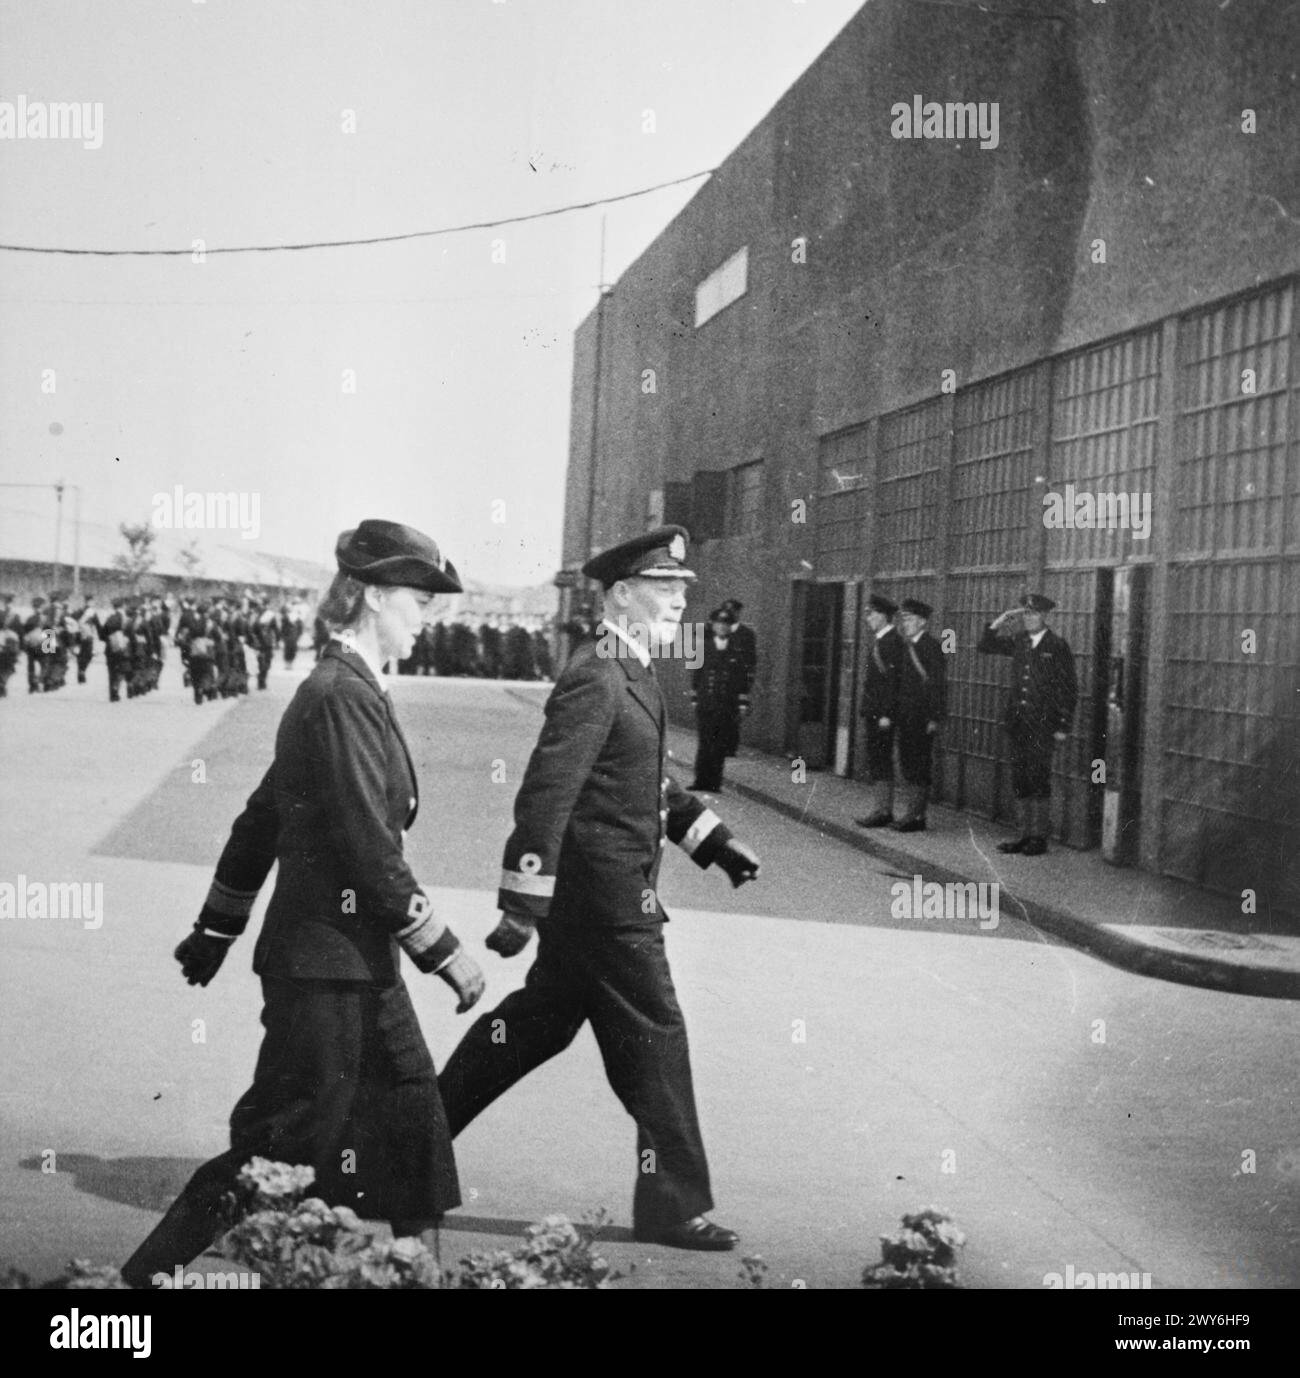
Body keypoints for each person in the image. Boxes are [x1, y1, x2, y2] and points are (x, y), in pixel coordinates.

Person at [120, 519, 484, 1289]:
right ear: (376, 597)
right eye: (419, 602)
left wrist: (215, 928)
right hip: (322, 967)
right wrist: (446, 950)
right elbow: (366, 846)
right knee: (281, 1146)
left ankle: (424, 1276)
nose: (428, 619)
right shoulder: (336, 696)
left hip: (358, 962)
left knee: (415, 1119)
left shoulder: (350, 692)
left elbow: (260, 821)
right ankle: (132, 1290)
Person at [439, 525, 761, 1252]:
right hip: (607, 905)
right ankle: (672, 1206)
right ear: (621, 594)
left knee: (526, 1031)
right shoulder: (598, 673)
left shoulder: (632, 668)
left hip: (600, 903)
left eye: (683, 589)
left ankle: (400, 1145)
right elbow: (548, 792)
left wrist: (710, 841)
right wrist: (521, 903)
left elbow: (641, 782)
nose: (679, 601)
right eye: (664, 587)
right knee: (657, 1039)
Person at [977, 593, 1077, 856]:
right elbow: (985, 645)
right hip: (1018, 723)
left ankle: (1038, 837)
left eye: (1034, 614)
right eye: (1025, 614)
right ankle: (1021, 835)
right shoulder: (1020, 641)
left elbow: (1068, 688)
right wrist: (1001, 620)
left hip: (1043, 725)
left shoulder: (1057, 645)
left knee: (1038, 779)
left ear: (1044, 616)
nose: (1029, 618)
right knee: (1020, 778)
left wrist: (1063, 726)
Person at [891, 598, 947, 832]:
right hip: (906, 716)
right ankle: (910, 812)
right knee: (907, 763)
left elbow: (938, 684)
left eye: (911, 619)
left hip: (923, 717)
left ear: (922, 622)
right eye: (904, 619)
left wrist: (934, 717)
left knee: (919, 764)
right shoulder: (906, 646)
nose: (906, 623)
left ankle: (917, 816)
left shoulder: (932, 646)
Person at [688, 606, 751, 793]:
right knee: (705, 742)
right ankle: (700, 781)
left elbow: (742, 680)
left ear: (730, 627)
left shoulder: (737, 649)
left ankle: (715, 783)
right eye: (718, 624)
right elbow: (696, 674)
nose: (722, 627)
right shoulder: (703, 646)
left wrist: (742, 704)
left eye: (726, 624)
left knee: (720, 744)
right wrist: (695, 698)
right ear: (713, 626)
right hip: (706, 702)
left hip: (727, 705)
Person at [855, 594, 904, 827]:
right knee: (876, 758)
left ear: (884, 616)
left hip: (882, 715)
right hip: (874, 711)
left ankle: (883, 811)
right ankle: (880, 808)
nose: (869, 618)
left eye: (872, 614)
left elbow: (893, 683)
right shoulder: (881, 640)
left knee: (881, 759)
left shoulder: (892, 642)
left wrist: (887, 714)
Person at [719, 599, 757, 752]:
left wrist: (747, 684)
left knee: (733, 716)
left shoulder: (747, 634)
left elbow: (751, 660)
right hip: (717, 681)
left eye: (733, 611)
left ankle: (729, 748)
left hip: (736, 682)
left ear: (738, 613)